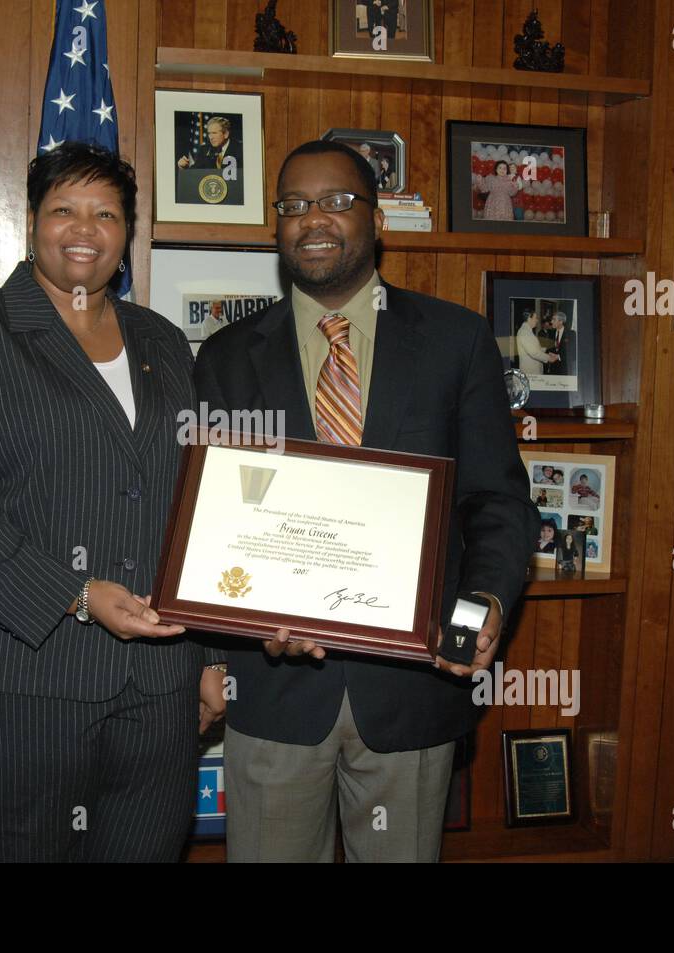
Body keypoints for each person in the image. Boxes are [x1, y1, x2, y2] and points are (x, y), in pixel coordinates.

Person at [193, 140, 537, 863]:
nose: (313, 219)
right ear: (276, 226)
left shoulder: (456, 341)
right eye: (293, 205)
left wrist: (487, 605)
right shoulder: (224, 357)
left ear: (376, 220)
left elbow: (497, 499)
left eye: (336, 201)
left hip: (412, 690)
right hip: (274, 689)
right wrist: (237, 629)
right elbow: (213, 521)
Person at [0, 141, 225, 862]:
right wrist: (74, 591)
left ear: (127, 231)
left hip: (157, 687)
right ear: (32, 221)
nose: (85, 229)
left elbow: (192, 502)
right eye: (64, 209)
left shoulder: (163, 342)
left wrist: (208, 652)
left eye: (106, 213)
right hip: (9, 680)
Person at [516, 306, 557, 376]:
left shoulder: (527, 331)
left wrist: (547, 352)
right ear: (529, 318)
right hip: (531, 372)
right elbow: (534, 353)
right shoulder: (525, 332)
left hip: (533, 371)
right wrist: (549, 358)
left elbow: (534, 348)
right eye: (536, 318)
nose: (537, 320)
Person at [546, 310, 575, 375]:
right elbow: (548, 349)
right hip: (552, 369)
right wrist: (549, 353)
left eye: (554, 320)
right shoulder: (550, 333)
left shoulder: (571, 334)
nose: (551, 322)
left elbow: (573, 353)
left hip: (565, 370)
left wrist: (558, 356)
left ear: (561, 322)